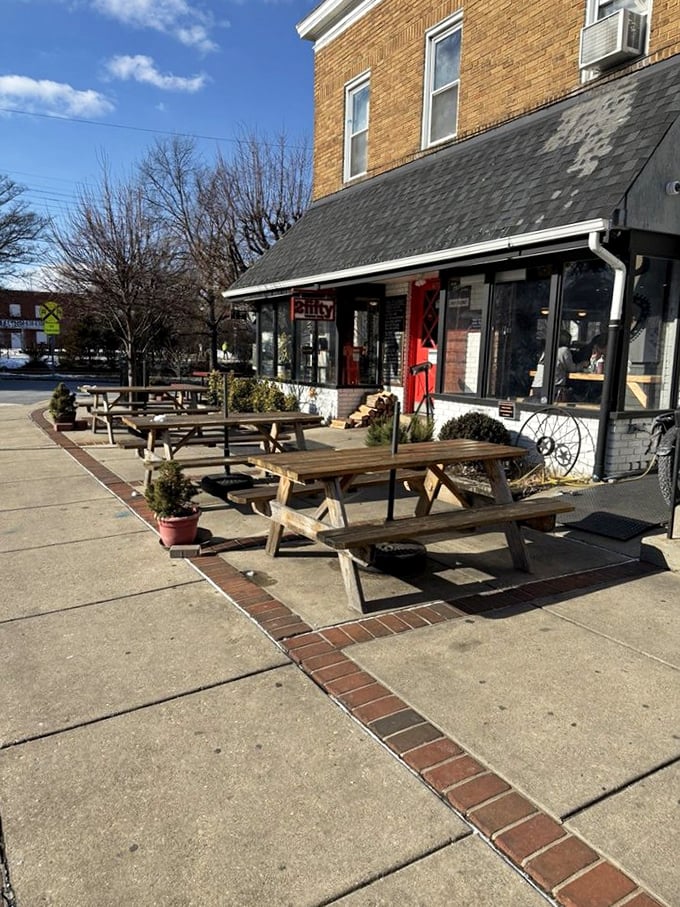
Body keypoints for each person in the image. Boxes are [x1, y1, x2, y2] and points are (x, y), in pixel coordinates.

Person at [530, 330, 576, 402]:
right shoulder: (564, 350)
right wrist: (582, 365)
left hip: (536, 387)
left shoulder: (547, 350)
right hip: (554, 389)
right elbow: (572, 368)